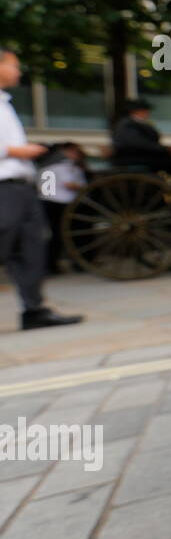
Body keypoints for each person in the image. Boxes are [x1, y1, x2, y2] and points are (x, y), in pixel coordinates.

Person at [0, 49, 83, 330]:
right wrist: (19, 151)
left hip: (21, 188)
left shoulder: (5, 102)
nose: (19, 72)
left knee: (31, 248)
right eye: (14, 65)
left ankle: (34, 310)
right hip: (3, 189)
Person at [37, 142, 88, 274]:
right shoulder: (65, 166)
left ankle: (51, 264)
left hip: (50, 202)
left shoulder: (47, 166)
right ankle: (59, 263)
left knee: (56, 235)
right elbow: (69, 184)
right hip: (60, 204)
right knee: (63, 235)